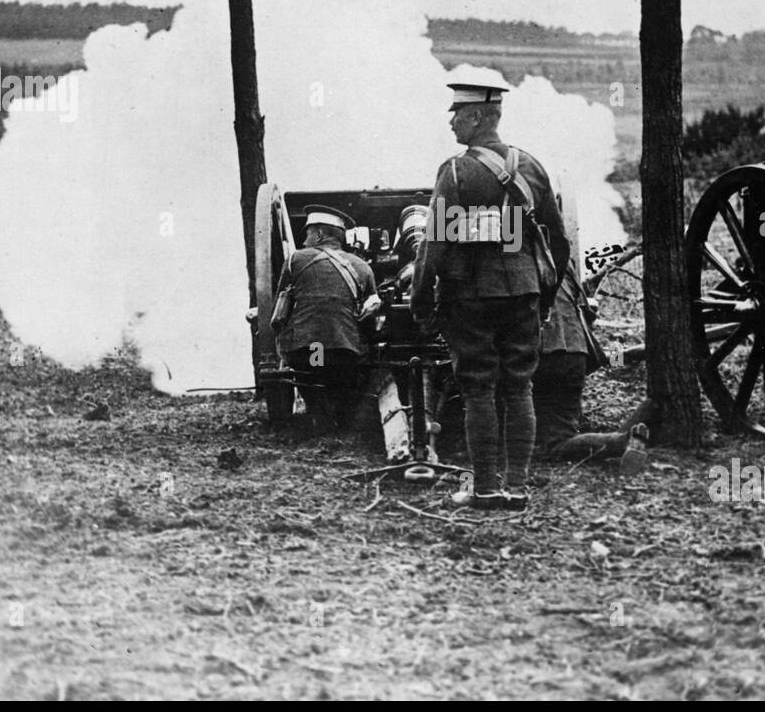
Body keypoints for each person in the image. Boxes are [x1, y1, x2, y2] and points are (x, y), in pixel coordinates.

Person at [411, 78, 570, 510]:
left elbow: (435, 244)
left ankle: (484, 489)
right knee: (519, 387)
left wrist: (420, 299)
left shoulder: (457, 171)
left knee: (478, 389)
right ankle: (517, 488)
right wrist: (544, 295)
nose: (451, 123)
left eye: (457, 115)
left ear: (478, 117)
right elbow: (559, 241)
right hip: (523, 294)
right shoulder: (532, 167)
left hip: (471, 298)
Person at [532, 258, 649, 474]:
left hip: (541, 356)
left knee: (556, 441)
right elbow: (586, 311)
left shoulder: (511, 261)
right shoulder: (561, 258)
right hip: (576, 353)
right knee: (558, 416)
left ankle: (622, 442)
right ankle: (645, 419)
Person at [273, 204, 378, 435]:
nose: (305, 239)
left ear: (320, 233)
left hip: (308, 350)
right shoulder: (363, 267)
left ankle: (319, 415)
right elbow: (370, 313)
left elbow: (281, 305)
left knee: (315, 370)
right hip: (345, 351)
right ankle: (340, 417)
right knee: (338, 373)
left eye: (308, 233)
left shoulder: (295, 260)